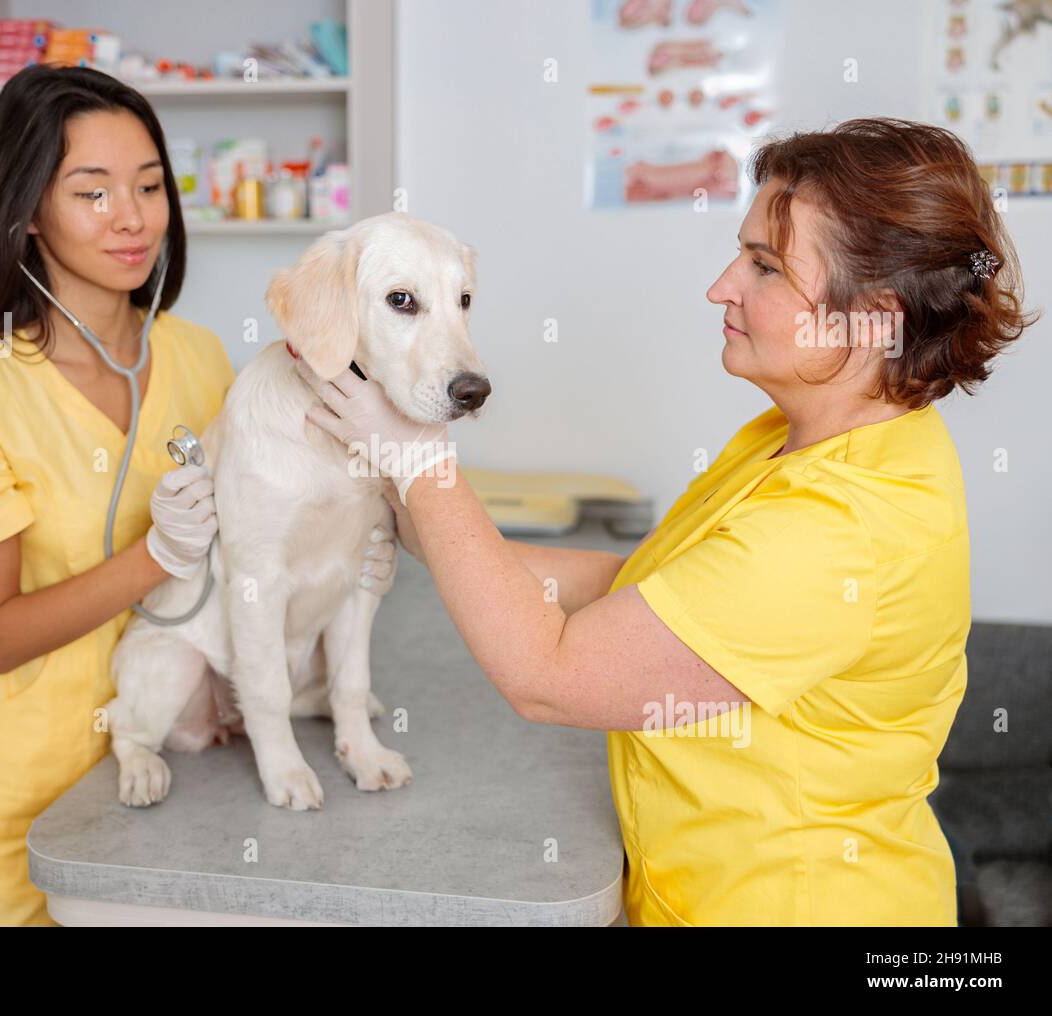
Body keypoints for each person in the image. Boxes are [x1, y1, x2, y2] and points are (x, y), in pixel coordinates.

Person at [296, 117, 1040, 926]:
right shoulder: (812, 439)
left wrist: (424, 466)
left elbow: (549, 676)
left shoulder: (837, 531)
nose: (722, 285)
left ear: (873, 319)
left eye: (765, 267)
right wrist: (428, 520)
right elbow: (646, 592)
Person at [0, 65, 396, 926]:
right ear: (25, 208)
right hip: (24, 791)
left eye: (150, 185)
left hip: (185, 765)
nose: (133, 217)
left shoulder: (200, 355)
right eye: (92, 192)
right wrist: (155, 559)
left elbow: (260, 548)